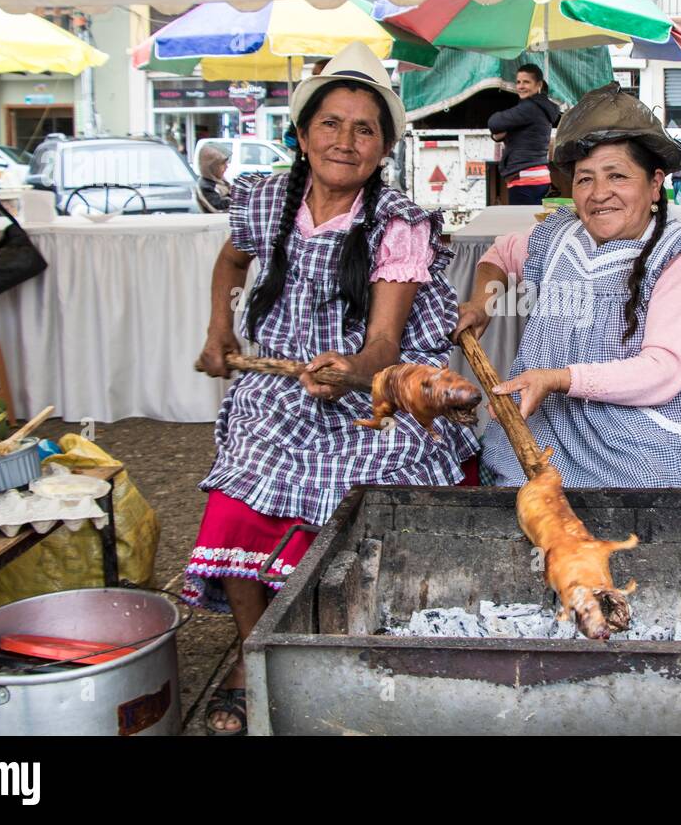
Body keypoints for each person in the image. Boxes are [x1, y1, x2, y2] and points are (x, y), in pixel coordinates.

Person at [188, 43, 476, 734]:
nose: (345, 142)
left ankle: (333, 650)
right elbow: (232, 258)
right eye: (330, 124)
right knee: (236, 493)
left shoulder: (397, 222)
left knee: (357, 496)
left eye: (365, 129)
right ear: (301, 133)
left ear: (385, 147)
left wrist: (347, 372)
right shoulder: (263, 199)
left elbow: (381, 349)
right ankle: (254, 652)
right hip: (282, 380)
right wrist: (219, 327)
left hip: (376, 391)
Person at [455, 82, 681, 488]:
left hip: (646, 441)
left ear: (655, 184)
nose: (599, 194)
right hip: (549, 432)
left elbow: (664, 370)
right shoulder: (560, 237)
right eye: (584, 179)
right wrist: (480, 304)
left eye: (617, 176)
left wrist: (560, 378)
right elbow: (500, 257)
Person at [487, 64, 561, 205]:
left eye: (526, 82)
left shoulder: (529, 108)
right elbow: (512, 133)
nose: (520, 86)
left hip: (525, 177)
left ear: (538, 85)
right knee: (532, 222)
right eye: (518, 82)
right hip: (538, 175)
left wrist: (502, 131)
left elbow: (494, 122)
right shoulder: (541, 109)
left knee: (523, 224)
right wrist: (504, 134)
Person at [195, 143, 232, 212]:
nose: (226, 167)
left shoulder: (221, 182)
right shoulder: (206, 186)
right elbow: (218, 207)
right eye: (222, 164)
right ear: (211, 167)